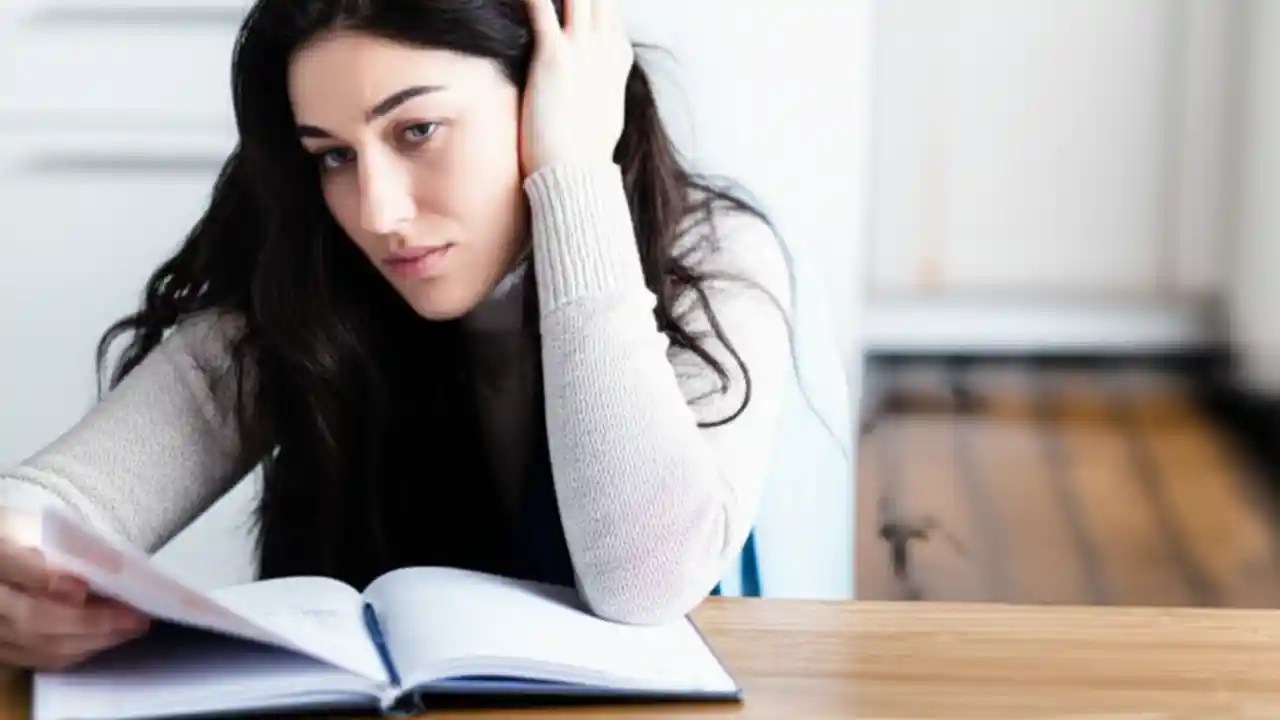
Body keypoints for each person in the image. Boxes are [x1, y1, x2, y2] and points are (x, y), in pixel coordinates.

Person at [0, 0, 803, 671]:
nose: (377, 212)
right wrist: (18, 578)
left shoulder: (712, 258)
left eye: (418, 130)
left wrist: (575, 175)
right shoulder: (314, 281)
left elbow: (644, 581)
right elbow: (55, 503)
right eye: (332, 156)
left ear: (552, 92)